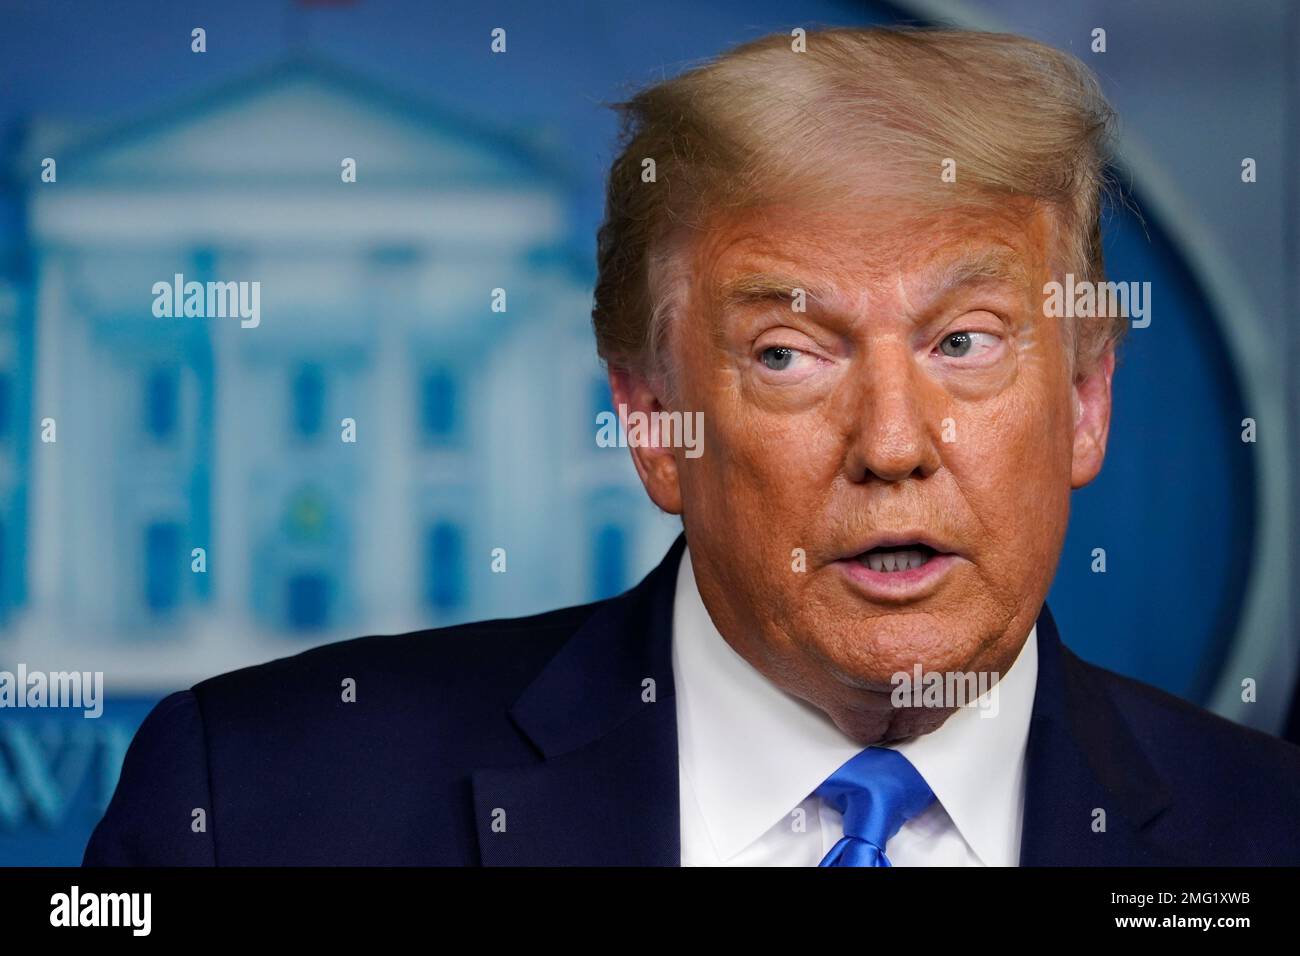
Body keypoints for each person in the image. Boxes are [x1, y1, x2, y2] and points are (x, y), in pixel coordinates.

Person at [84, 26, 1300, 867]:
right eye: (786, 352)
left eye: (966, 341)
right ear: (654, 423)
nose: (891, 444)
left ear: (1085, 399)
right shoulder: (253, 810)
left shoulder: (1265, 832)